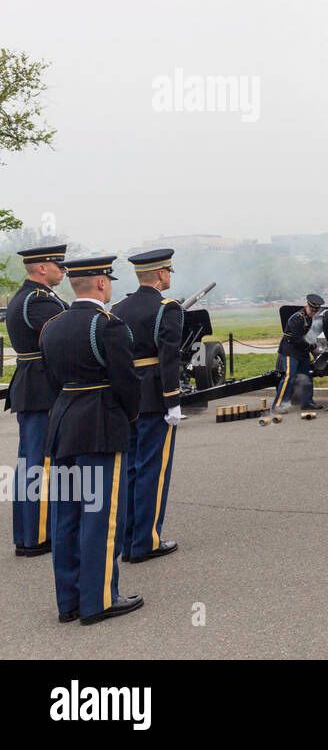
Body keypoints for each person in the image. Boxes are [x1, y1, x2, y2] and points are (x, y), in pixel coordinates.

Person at [39, 256, 143, 625]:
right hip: (99, 425)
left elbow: (52, 380)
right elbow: (127, 383)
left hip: (63, 422)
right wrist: (128, 419)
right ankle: (98, 600)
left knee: (66, 517)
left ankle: (68, 601)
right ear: (101, 283)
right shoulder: (107, 326)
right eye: (109, 280)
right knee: (100, 516)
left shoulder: (52, 326)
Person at [111, 249, 183, 563]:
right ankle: (145, 542)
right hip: (155, 397)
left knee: (130, 469)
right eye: (169, 271)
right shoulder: (168, 308)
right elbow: (169, 357)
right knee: (153, 470)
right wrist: (173, 400)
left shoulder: (116, 308)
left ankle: (127, 539)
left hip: (126, 398)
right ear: (161, 274)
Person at [4, 245, 68, 557]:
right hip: (41, 385)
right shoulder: (38, 300)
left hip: (35, 383)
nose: (64, 270)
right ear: (42, 267)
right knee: (39, 463)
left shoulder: (32, 296)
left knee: (32, 461)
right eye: (59, 264)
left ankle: (30, 533)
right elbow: (65, 336)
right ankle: (37, 535)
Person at [274, 294, 324, 414]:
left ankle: (307, 402)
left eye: (315, 311)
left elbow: (307, 336)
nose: (313, 313)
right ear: (307, 306)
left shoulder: (309, 317)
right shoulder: (298, 318)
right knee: (289, 377)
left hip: (302, 352)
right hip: (290, 351)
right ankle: (279, 405)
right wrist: (310, 346)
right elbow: (295, 339)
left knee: (306, 376)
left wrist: (314, 344)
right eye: (312, 310)